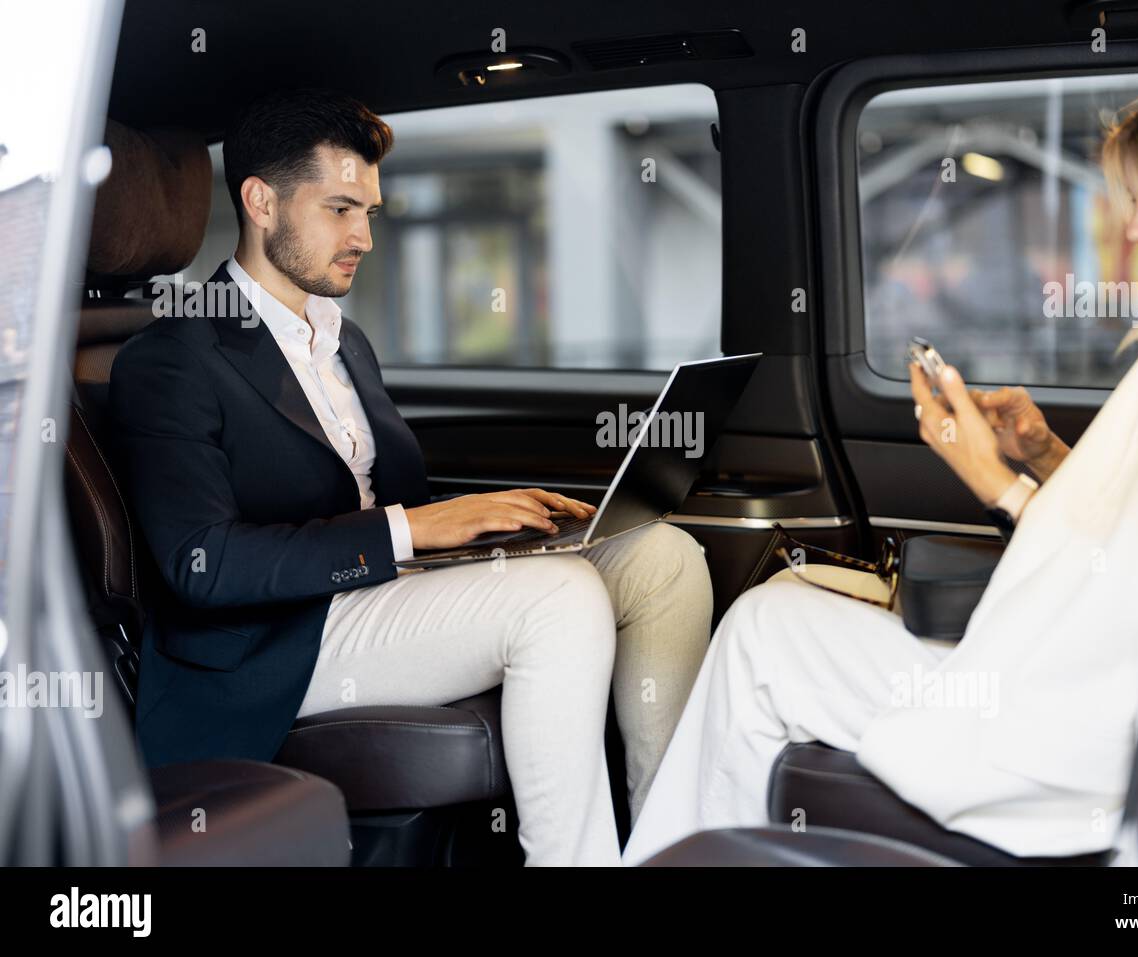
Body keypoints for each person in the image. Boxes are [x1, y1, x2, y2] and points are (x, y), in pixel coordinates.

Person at [623, 55, 1138, 865]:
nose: (1136, 228)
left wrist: (995, 479)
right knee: (774, 618)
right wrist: (1046, 453)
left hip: (1064, 730)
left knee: (763, 634)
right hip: (1064, 685)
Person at [108, 89, 713, 866]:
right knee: (561, 600)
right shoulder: (171, 359)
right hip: (278, 634)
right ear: (261, 202)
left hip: (381, 585)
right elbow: (206, 565)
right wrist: (410, 529)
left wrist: (494, 524)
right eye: (339, 209)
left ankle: (667, 850)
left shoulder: (343, 340)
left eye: (371, 211)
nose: (363, 235)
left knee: (662, 558)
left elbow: (379, 495)